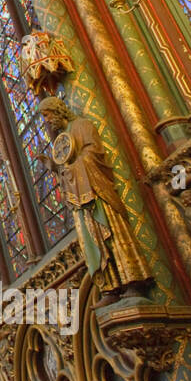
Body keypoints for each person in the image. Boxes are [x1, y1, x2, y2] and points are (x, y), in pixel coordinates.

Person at [38, 96, 154, 307]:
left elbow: (93, 154)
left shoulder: (82, 126)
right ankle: (110, 287)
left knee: (111, 233)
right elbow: (69, 165)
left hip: (97, 193)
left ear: (57, 110)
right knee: (93, 243)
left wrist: (72, 168)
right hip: (81, 200)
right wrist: (56, 168)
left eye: (47, 115)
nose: (46, 121)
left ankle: (131, 282)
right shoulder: (64, 137)